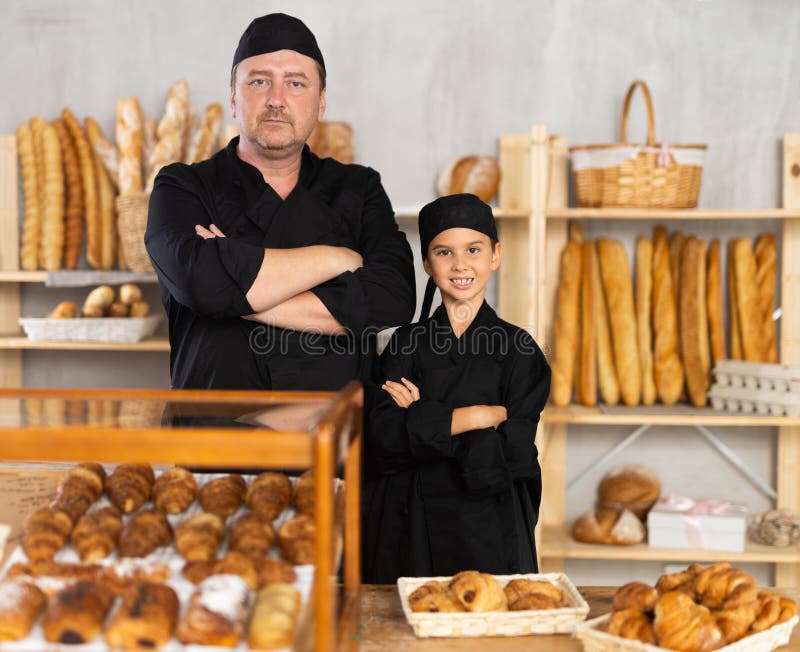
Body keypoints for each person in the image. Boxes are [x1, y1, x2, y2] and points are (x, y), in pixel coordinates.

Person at [145, 13, 415, 390]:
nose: (276, 99)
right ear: (234, 98)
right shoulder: (182, 186)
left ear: (321, 103)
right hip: (213, 436)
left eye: (295, 83)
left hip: (333, 437)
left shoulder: (359, 188)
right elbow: (199, 283)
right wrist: (336, 259)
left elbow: (393, 296)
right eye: (259, 81)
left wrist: (236, 297)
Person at [362, 194, 551, 583]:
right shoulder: (402, 345)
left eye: (473, 249)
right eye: (444, 252)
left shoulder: (521, 351)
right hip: (410, 534)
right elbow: (381, 441)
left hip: (491, 535)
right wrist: (478, 418)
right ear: (427, 264)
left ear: (495, 255)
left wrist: (422, 422)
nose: (460, 264)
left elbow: (513, 457)